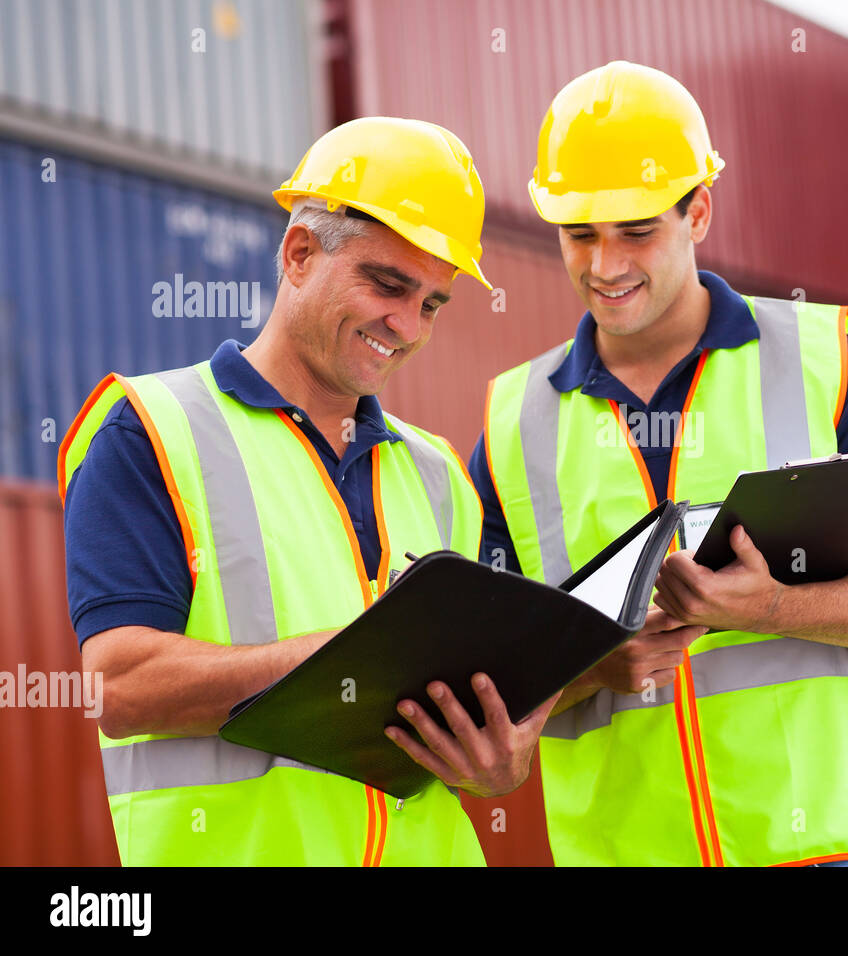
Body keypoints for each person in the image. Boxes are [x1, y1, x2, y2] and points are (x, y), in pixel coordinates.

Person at [469, 61, 848, 867]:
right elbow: (496, 677)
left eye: (636, 231)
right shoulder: (510, 426)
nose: (605, 265)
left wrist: (768, 607)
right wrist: (595, 670)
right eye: (579, 234)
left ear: (698, 210)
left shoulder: (825, 360)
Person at [60, 117, 557, 866]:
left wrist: (500, 762)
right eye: (387, 284)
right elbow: (118, 686)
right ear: (298, 254)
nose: (407, 326)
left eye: (430, 303)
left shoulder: (442, 475)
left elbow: (480, 720)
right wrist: (339, 663)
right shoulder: (155, 432)